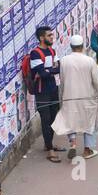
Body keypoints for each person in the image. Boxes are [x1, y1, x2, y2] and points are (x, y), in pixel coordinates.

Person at [53, 34, 98, 160]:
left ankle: (73, 144)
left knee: (70, 121)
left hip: (69, 97)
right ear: (82, 47)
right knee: (89, 122)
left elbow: (62, 79)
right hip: (87, 97)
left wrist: (62, 96)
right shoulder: (89, 61)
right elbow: (97, 80)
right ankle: (87, 150)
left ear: (71, 46)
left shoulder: (64, 61)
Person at [26, 24, 63, 162]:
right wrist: (50, 70)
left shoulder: (52, 51)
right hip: (42, 92)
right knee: (46, 119)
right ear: (41, 38)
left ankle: (49, 144)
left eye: (52, 35)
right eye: (49, 35)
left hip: (53, 89)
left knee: (54, 118)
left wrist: (49, 70)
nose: (52, 37)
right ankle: (50, 149)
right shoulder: (35, 53)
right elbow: (42, 73)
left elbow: (59, 68)